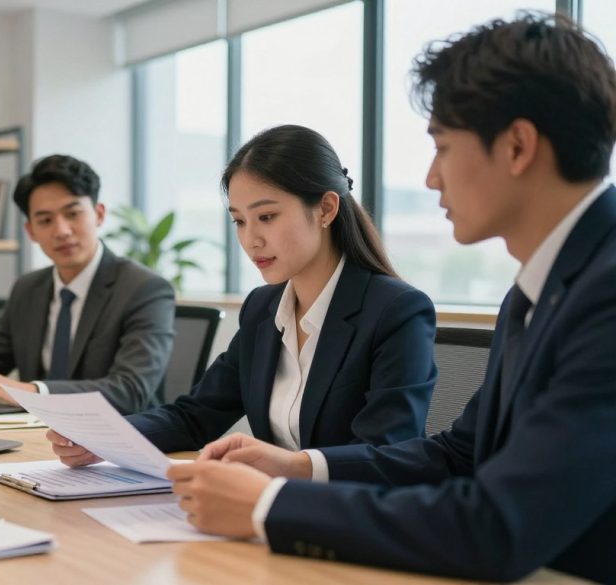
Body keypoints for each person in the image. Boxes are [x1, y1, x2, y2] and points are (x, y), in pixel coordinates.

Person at [164, 13, 616, 583]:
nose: (430, 179)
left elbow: (499, 526)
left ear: (518, 146)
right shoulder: (535, 293)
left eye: (443, 147)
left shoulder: (604, 296)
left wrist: (268, 506)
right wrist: (300, 467)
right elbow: (458, 454)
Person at [50, 125, 437, 465]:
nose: (251, 239)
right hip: (265, 510)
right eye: (239, 221)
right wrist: (105, 437)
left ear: (325, 209)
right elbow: (196, 415)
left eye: (266, 216)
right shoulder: (263, 309)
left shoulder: (395, 311)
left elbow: (387, 451)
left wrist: (290, 466)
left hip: (345, 519)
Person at [0, 154, 175, 415]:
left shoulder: (144, 289)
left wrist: (35, 392)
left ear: (98, 214)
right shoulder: (28, 288)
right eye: (46, 220)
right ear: (31, 232)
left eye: (73, 214)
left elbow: (130, 389)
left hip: (118, 440)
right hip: (38, 435)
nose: (61, 230)